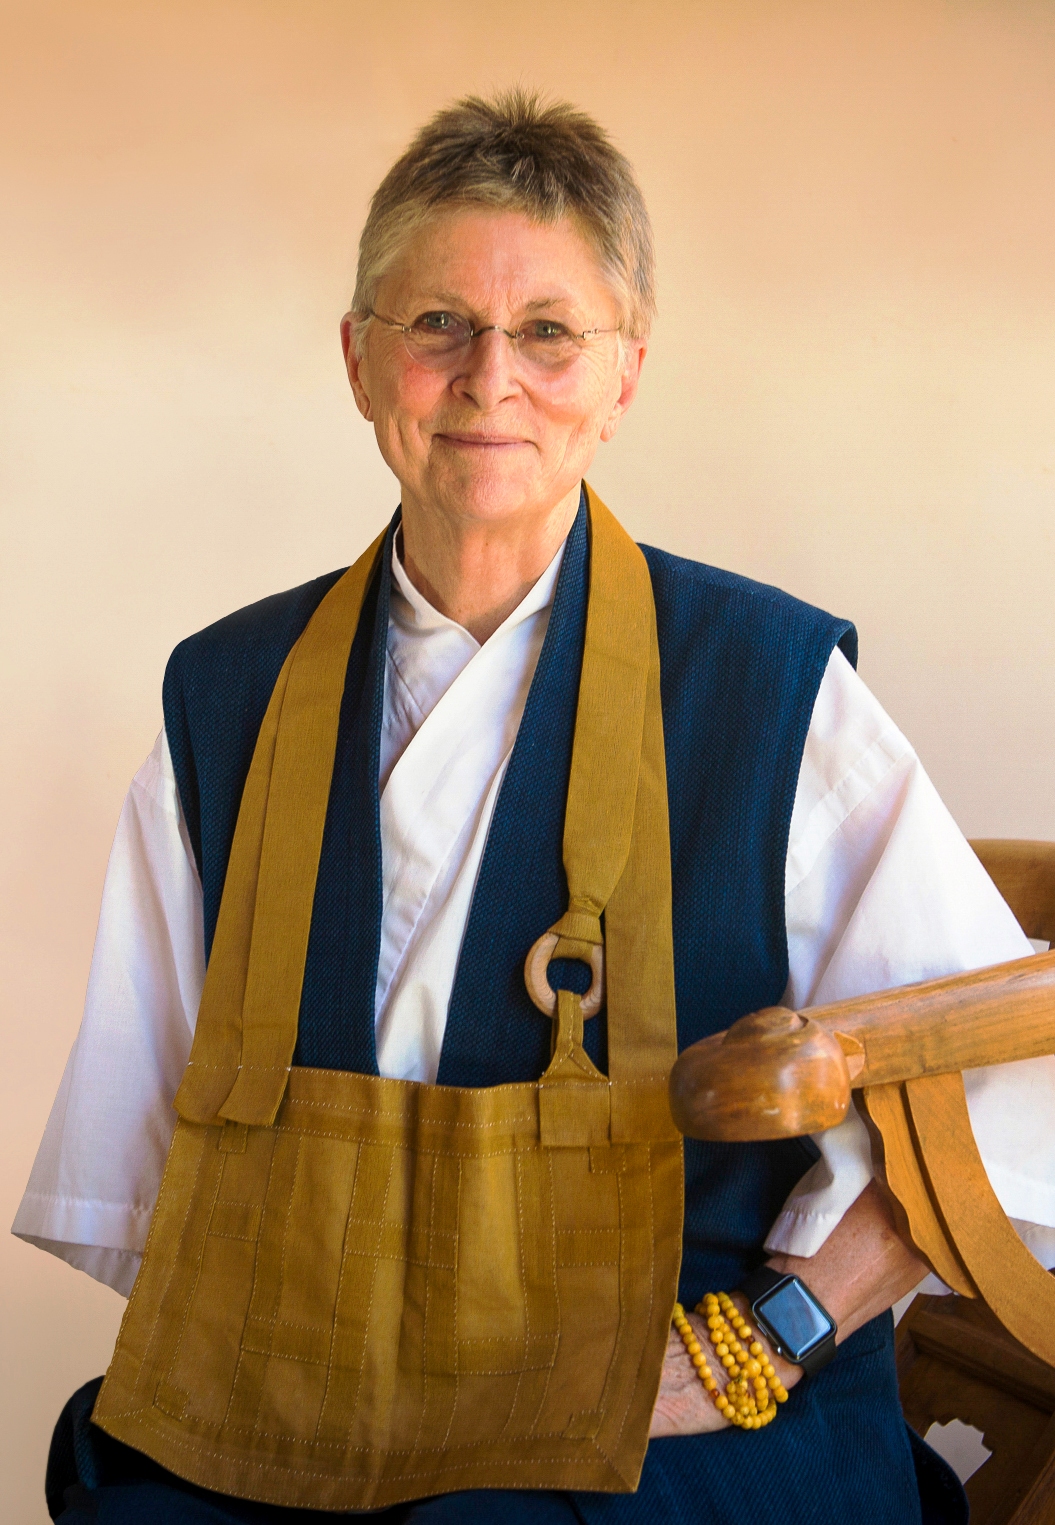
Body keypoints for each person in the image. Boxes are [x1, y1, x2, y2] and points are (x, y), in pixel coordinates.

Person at [14, 90, 1055, 1525]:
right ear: (360, 360)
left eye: (550, 331)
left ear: (623, 379)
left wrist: (768, 1342)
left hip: (675, 1406)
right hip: (322, 1372)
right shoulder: (227, 696)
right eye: (438, 322)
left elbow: (1004, 1086)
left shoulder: (766, 688)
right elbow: (148, 1170)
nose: (490, 375)